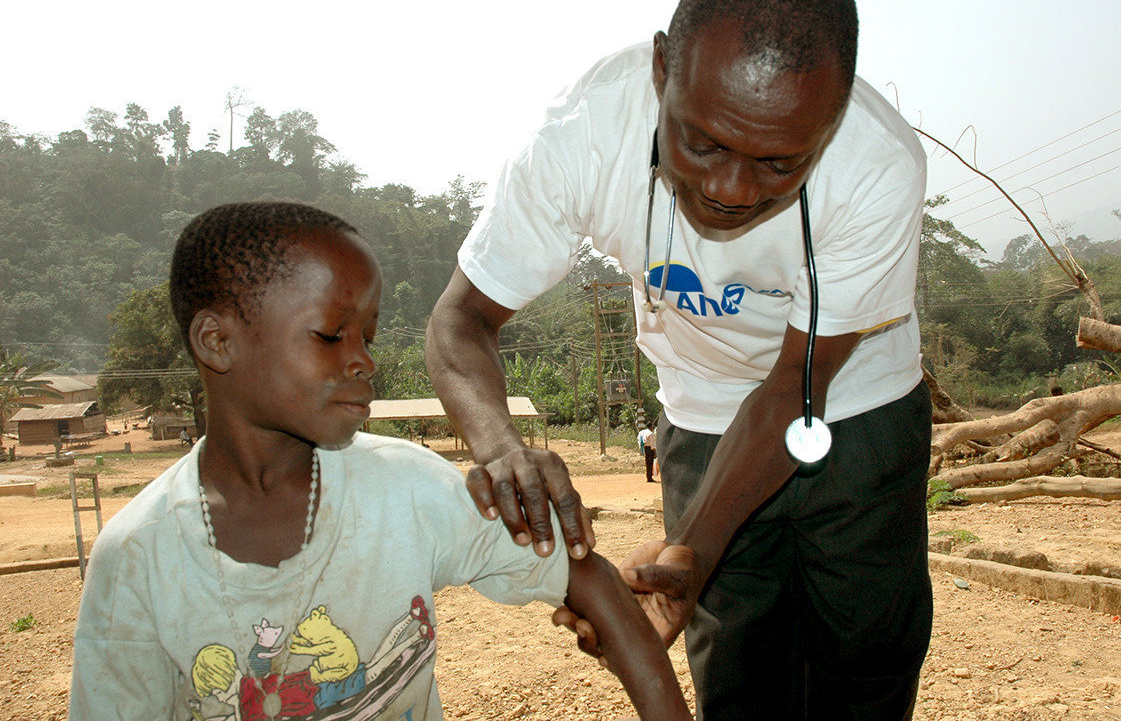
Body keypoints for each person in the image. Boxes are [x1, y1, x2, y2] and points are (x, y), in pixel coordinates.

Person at [425, 0, 932, 720]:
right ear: (663, 68)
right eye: (704, 142)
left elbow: (793, 390)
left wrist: (689, 549)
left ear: (830, 125)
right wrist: (500, 448)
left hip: (859, 411)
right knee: (735, 671)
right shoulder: (585, 135)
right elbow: (461, 318)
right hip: (700, 414)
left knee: (864, 665)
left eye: (779, 165)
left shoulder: (876, 162)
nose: (729, 190)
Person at [71, 202, 691, 721]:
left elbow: (589, 578)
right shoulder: (139, 557)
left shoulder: (407, 489)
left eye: (367, 334)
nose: (364, 360)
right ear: (218, 341)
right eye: (330, 335)